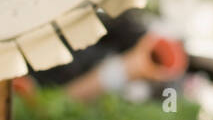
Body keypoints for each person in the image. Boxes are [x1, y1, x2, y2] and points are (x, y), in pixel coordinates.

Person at [23, 8, 188, 100]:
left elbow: (63, 100)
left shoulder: (138, 94)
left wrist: (124, 71)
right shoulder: (124, 30)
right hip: (32, 42)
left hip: (34, 80)